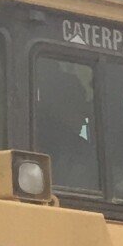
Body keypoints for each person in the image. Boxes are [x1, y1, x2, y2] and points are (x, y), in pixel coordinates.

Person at [34, 61, 99, 192]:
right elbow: (120, 185)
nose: (84, 120)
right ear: (61, 104)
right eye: (79, 109)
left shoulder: (28, 137)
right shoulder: (79, 150)